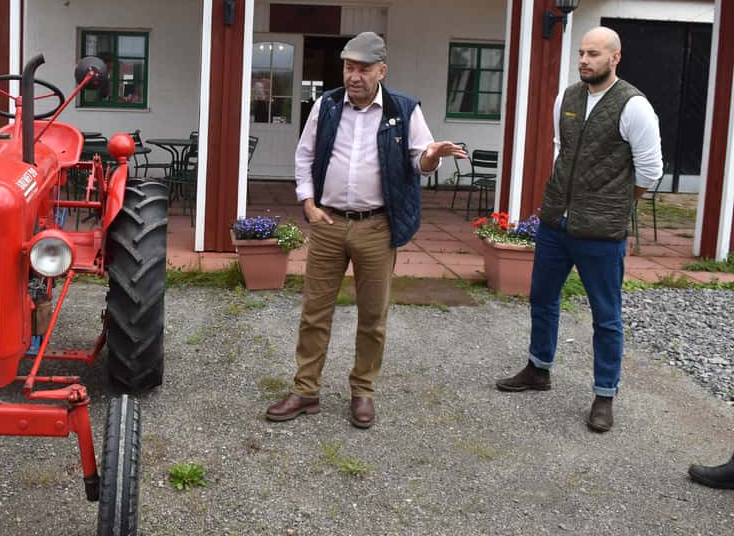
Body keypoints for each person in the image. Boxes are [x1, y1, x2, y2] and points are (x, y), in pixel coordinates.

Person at [265, 32, 465, 429]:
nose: (354, 76)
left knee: (372, 316)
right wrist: (307, 202)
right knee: (314, 312)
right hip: (328, 224)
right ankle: (306, 390)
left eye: (363, 69)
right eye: (349, 67)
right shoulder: (326, 106)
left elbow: (418, 163)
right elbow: (304, 156)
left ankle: (363, 392)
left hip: (376, 226)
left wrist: (430, 158)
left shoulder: (403, 109)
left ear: (381, 70)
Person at [495, 26, 662, 433]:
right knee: (542, 298)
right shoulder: (567, 98)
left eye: (594, 54)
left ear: (615, 58)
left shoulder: (634, 105)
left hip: (601, 232)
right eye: (582, 53)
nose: (585, 60)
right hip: (556, 222)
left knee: (606, 316)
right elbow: (561, 149)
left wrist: (615, 202)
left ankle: (605, 394)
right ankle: (539, 368)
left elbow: (651, 170)